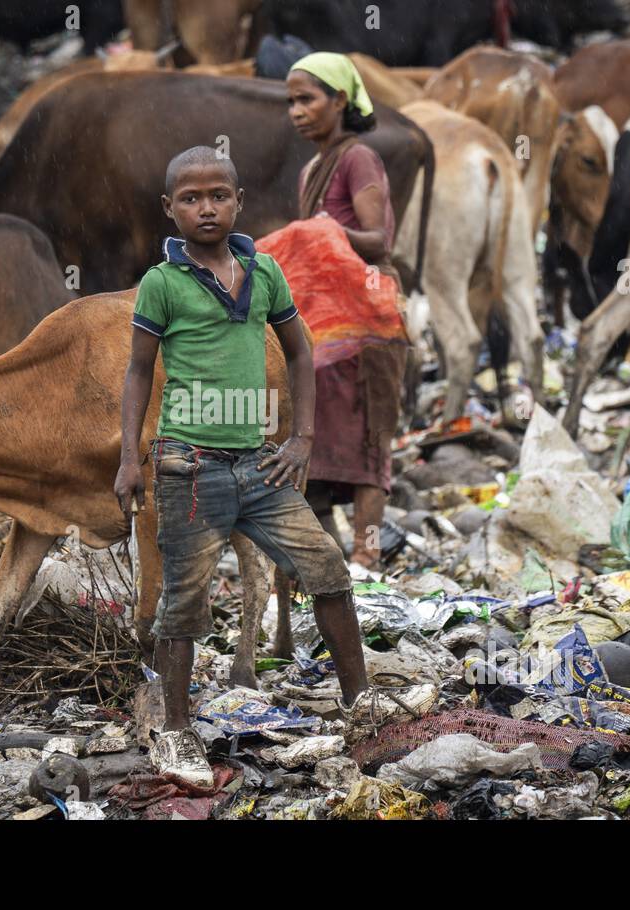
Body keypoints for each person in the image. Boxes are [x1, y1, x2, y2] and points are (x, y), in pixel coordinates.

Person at [114, 147, 437, 788]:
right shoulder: (162, 283)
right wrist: (130, 459)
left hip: (261, 466)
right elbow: (137, 371)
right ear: (170, 209)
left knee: (328, 569)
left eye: (218, 196)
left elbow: (300, 350)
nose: (206, 208)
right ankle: (175, 731)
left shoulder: (263, 273)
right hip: (189, 468)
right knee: (184, 604)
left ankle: (360, 702)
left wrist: (303, 438)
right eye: (190, 199)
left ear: (239, 202)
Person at [286, 52, 409, 570]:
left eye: (307, 99)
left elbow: (378, 239)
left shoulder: (359, 159)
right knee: (316, 445)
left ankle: (368, 556)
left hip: (368, 319)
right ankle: (332, 565)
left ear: (339, 99)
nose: (296, 111)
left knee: (368, 443)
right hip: (325, 328)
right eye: (291, 102)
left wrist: (320, 232)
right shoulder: (311, 170)